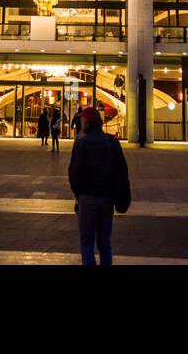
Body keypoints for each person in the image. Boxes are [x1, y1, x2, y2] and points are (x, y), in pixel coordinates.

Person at [68, 105, 130, 265]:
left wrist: (77, 194)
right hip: (106, 197)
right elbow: (122, 169)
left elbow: (74, 171)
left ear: (87, 122)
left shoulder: (81, 141)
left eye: (82, 119)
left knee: (87, 243)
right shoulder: (111, 141)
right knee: (105, 242)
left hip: (87, 197)